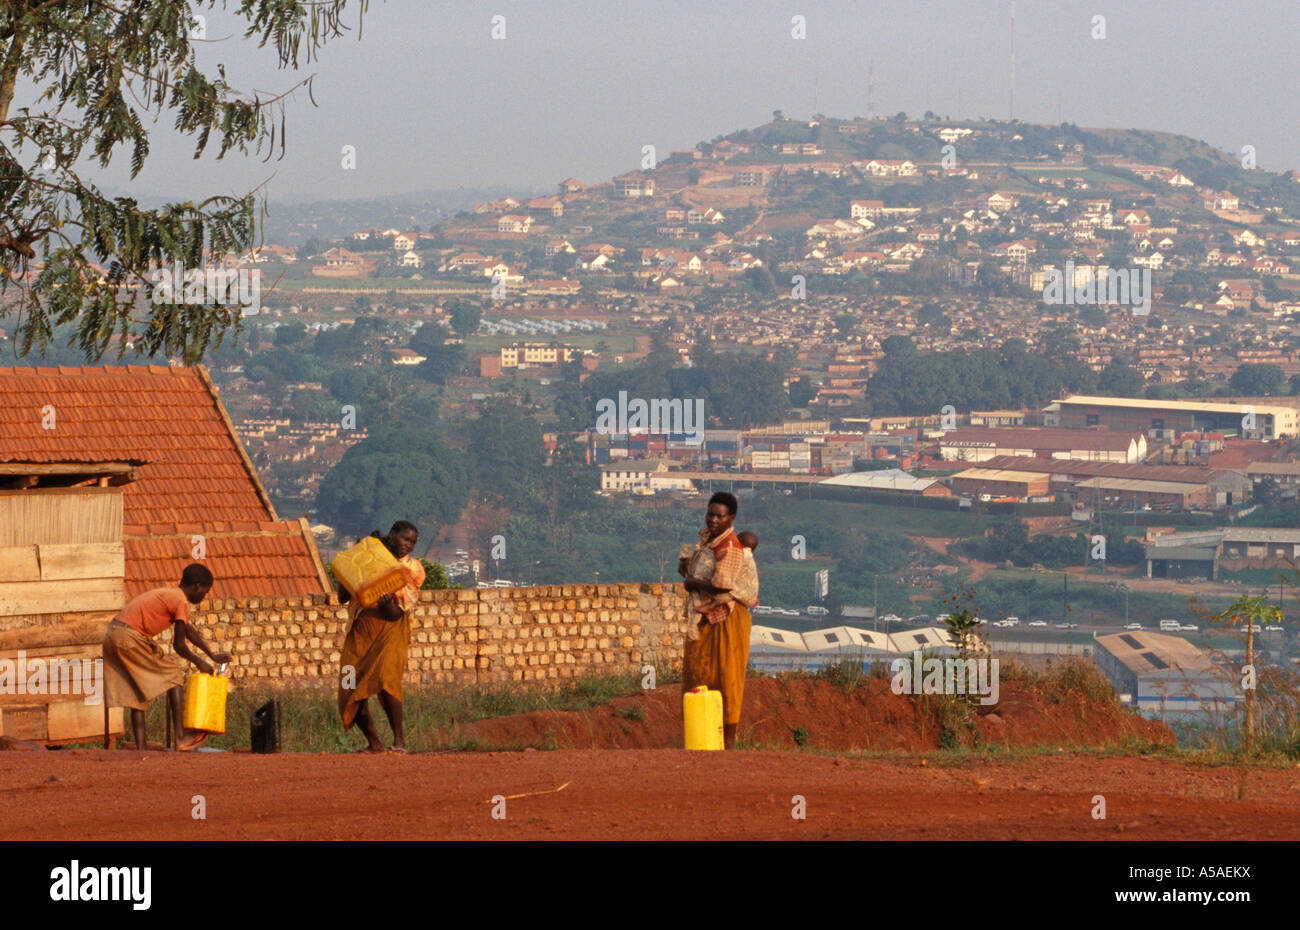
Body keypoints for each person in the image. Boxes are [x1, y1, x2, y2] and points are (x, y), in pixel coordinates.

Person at [102, 563, 230, 751]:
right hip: (129, 637)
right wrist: (200, 662)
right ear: (196, 586)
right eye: (204, 591)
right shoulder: (180, 601)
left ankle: (141, 748)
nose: (204, 596)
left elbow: (189, 631)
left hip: (113, 634)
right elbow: (178, 645)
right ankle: (180, 737)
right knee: (173, 676)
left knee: (136, 692)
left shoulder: (171, 595)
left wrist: (212, 655)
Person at [337, 520, 425, 754]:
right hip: (361, 629)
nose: (409, 546)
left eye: (413, 542)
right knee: (348, 685)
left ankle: (399, 742)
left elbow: (397, 613)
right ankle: (374, 743)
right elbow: (342, 597)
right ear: (392, 534)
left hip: (391, 628)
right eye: (406, 539)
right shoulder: (368, 553)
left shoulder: (412, 570)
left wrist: (387, 604)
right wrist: (352, 572)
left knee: (387, 679)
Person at [678, 492, 753, 749]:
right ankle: (700, 735)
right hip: (705, 615)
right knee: (698, 673)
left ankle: (728, 742)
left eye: (719, 516)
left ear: (730, 518)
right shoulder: (708, 542)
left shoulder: (729, 547)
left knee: (727, 676)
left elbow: (722, 588)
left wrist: (692, 582)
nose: (713, 519)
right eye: (710, 514)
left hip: (726, 618)